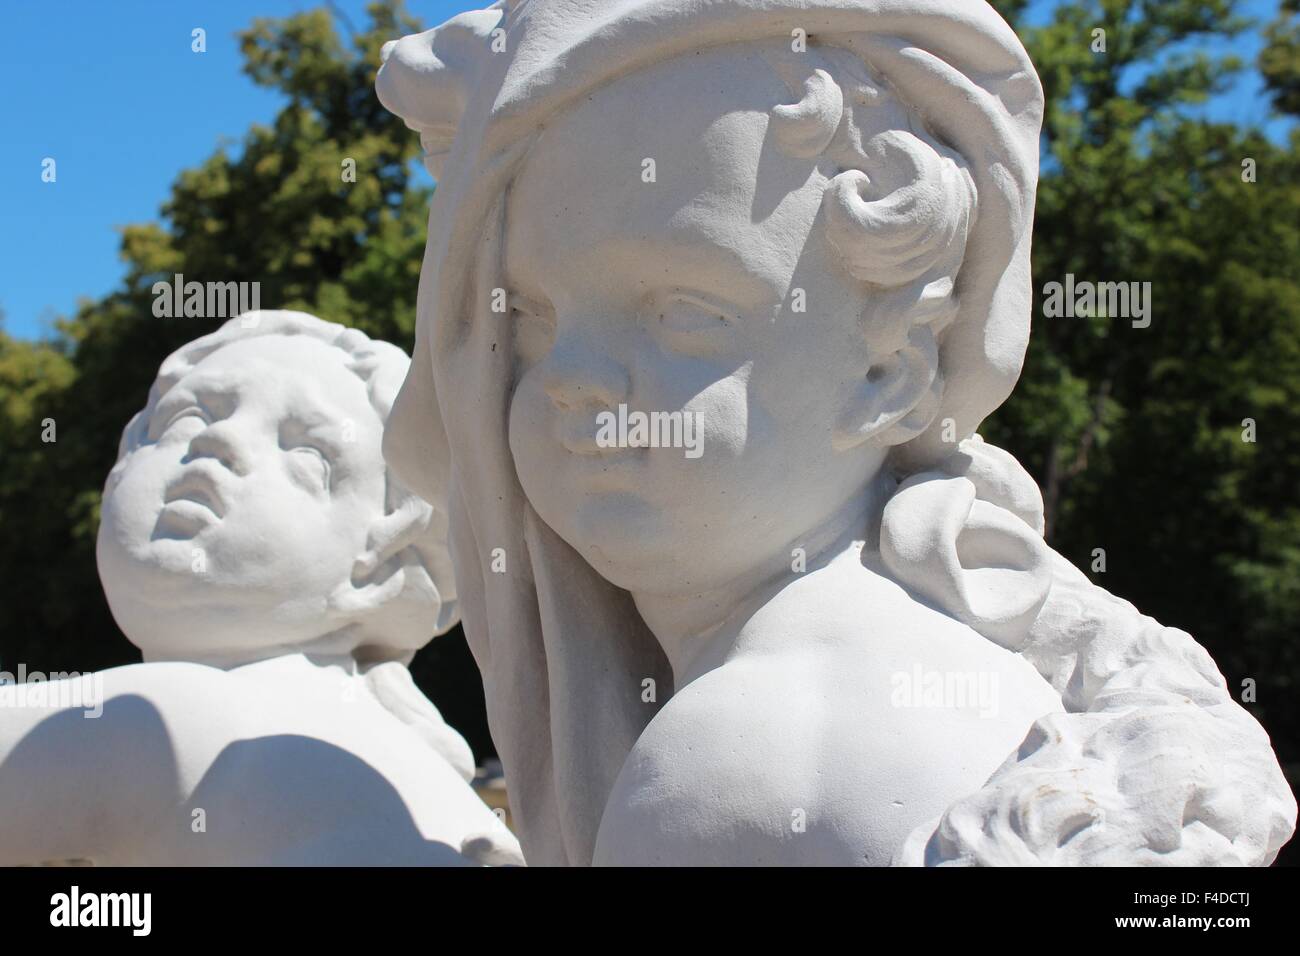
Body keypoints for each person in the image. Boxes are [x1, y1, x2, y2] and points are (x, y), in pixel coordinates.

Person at [0, 311, 522, 866]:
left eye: (306, 456)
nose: (219, 441)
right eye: (185, 419)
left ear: (384, 564)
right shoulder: (348, 739)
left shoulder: (174, 718)